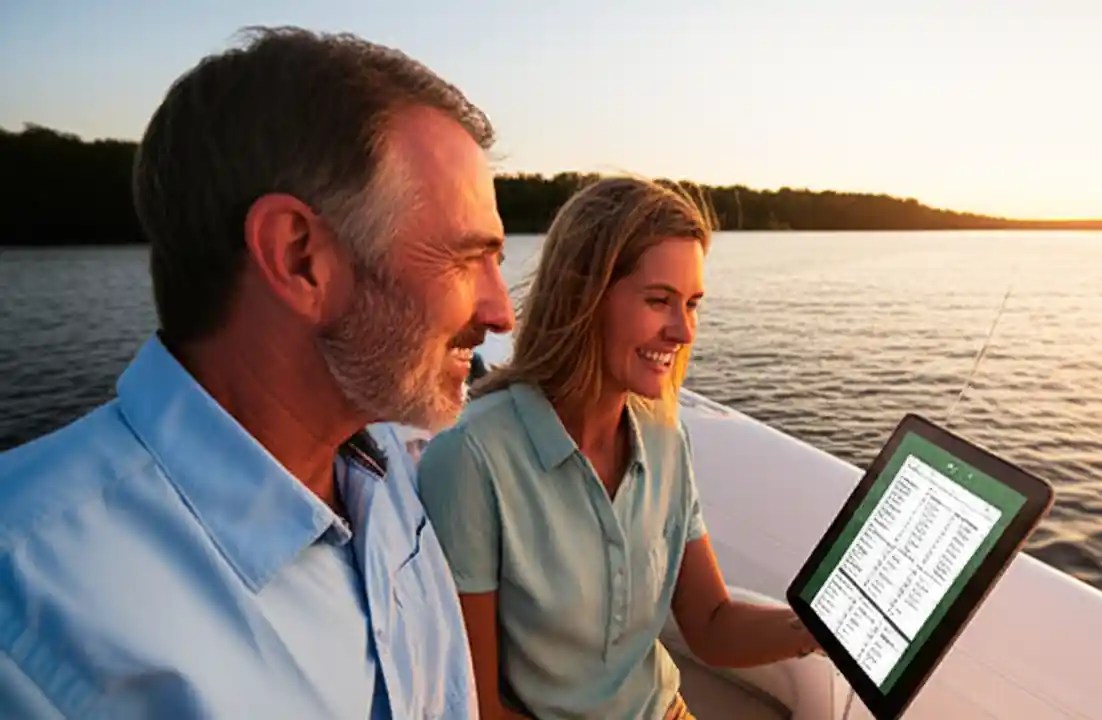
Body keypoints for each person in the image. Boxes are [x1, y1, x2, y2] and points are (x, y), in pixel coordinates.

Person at [0, 27, 513, 718]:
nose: (503, 313)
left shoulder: (380, 459)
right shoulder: (27, 609)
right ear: (300, 258)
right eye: (463, 259)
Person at [418, 176, 820, 720]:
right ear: (583, 297)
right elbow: (479, 708)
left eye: (693, 304)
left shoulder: (664, 436)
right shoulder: (471, 458)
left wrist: (819, 629)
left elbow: (712, 625)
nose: (683, 331)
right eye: (659, 300)